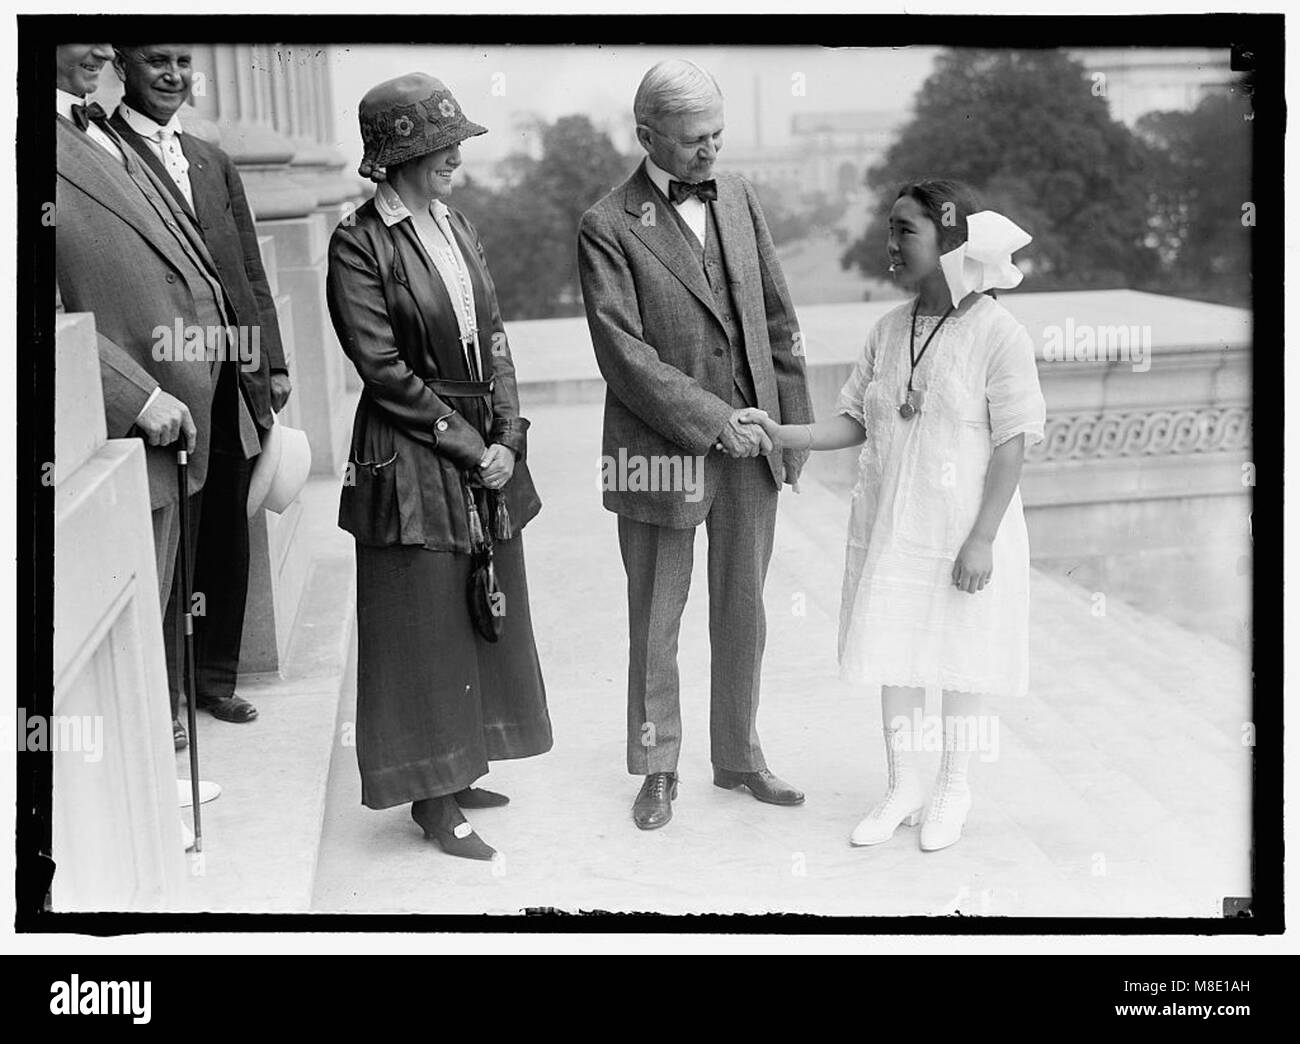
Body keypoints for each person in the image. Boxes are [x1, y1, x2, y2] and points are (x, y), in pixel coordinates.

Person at [743, 179, 1046, 852]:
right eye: (890, 230)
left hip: (965, 528)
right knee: (898, 653)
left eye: (906, 232)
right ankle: (904, 785)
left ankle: (954, 788)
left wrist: (982, 539)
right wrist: (780, 434)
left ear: (951, 241)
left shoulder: (998, 335)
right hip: (898, 526)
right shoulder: (887, 331)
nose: (890, 245)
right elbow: (854, 420)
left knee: (961, 659)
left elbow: (1012, 442)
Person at [577, 59, 815, 832]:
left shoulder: (741, 197)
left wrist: (794, 429)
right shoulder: (606, 225)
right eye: (692, 141)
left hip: (756, 446)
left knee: (743, 607)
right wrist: (718, 419)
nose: (710, 151)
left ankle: (739, 757)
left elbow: (779, 319)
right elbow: (625, 356)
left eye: (717, 135)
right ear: (647, 137)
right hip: (660, 451)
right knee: (657, 618)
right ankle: (656, 769)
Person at [326, 73, 552, 862]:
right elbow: (382, 369)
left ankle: (463, 766)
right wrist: (470, 445)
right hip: (409, 455)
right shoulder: (358, 242)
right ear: (401, 153)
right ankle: (430, 797)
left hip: (480, 442)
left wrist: (510, 438)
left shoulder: (457, 224)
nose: (457, 154)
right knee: (421, 622)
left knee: (481, 610)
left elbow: (494, 338)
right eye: (441, 143)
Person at [109, 42, 293, 741]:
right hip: (163, 373)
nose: (173, 76)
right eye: (157, 60)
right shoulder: (109, 149)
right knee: (174, 533)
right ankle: (169, 692)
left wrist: (270, 364)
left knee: (226, 527)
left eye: (184, 61)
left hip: (229, 372)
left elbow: (246, 268)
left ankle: (216, 678)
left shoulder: (213, 158)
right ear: (123, 64)